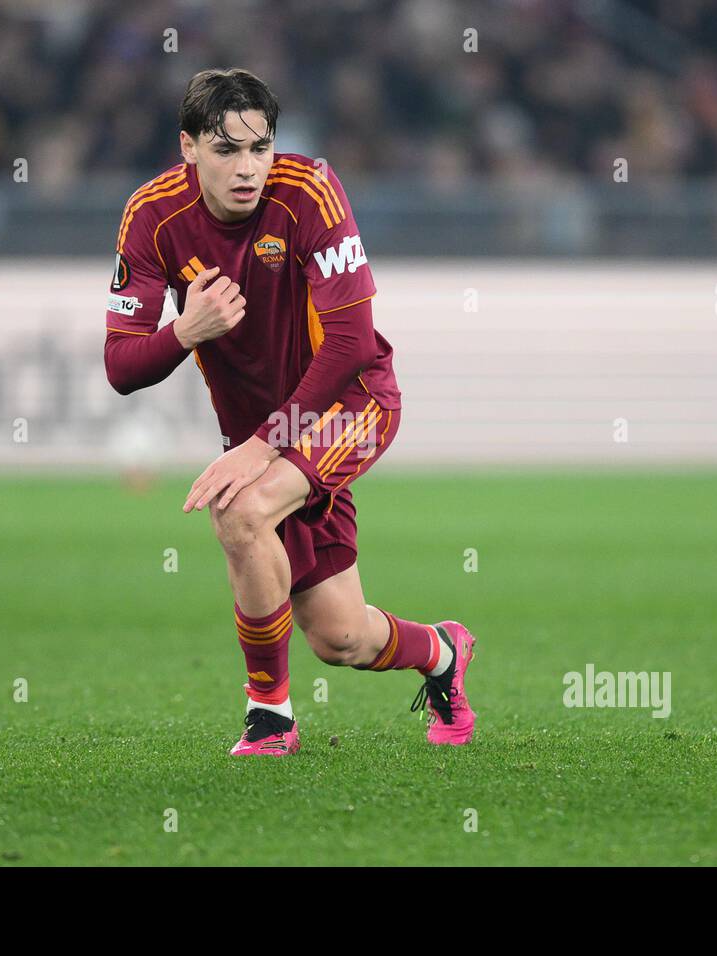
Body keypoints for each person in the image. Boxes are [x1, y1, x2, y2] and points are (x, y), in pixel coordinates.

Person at [104, 68, 476, 755]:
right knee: (341, 637)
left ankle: (270, 718)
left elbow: (351, 342)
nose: (247, 168)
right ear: (188, 149)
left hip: (351, 400)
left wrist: (262, 445)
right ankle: (443, 653)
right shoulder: (153, 217)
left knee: (240, 510)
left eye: (259, 147)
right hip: (266, 430)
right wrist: (185, 332)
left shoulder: (309, 190)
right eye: (225, 150)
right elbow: (121, 367)